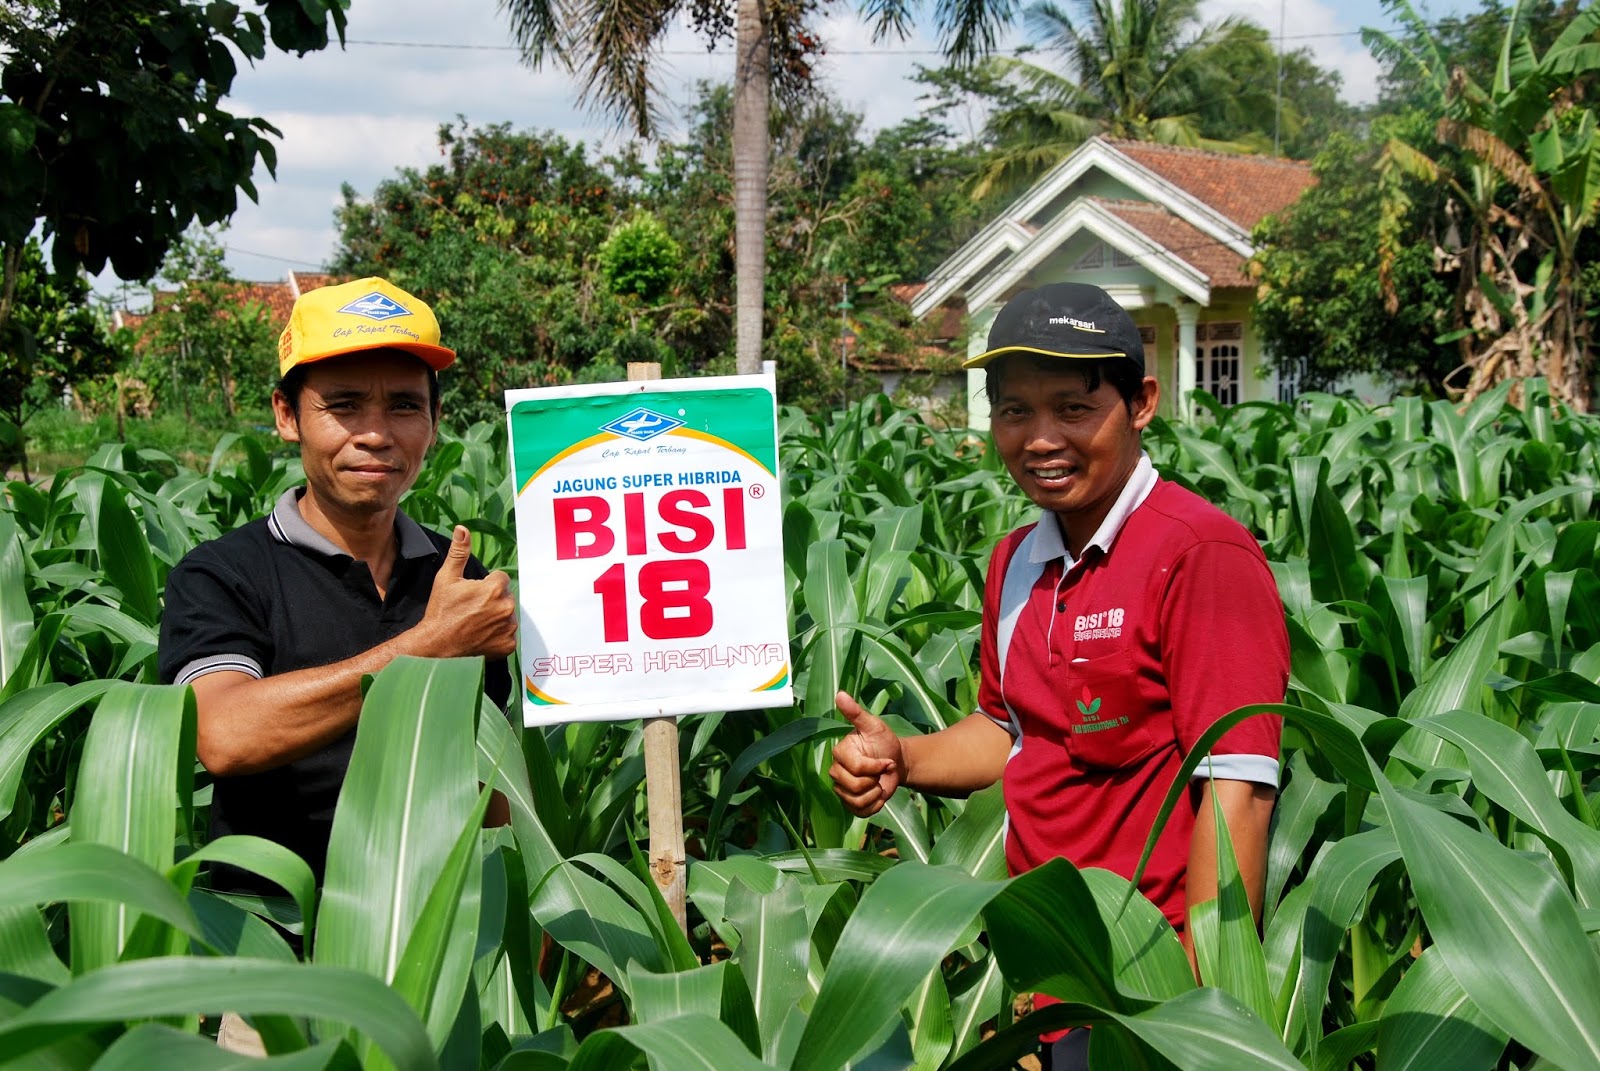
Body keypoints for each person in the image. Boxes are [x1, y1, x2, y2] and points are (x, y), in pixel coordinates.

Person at [828, 282, 1287, 1071]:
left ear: (1140, 403)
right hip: (1047, 982)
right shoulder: (1015, 561)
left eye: (1073, 409)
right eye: (1015, 411)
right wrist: (904, 759)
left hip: (1146, 989)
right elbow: (1008, 732)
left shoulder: (1197, 555)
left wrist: (1199, 1022)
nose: (1040, 438)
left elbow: (1235, 791)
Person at [157, 277, 518, 1052]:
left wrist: (521, 911)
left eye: (404, 405)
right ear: (289, 416)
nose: (376, 433)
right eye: (344, 405)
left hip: (439, 960)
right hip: (276, 977)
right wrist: (424, 647)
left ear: (434, 422)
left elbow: (489, 782)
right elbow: (223, 733)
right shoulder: (224, 574)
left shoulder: (452, 582)